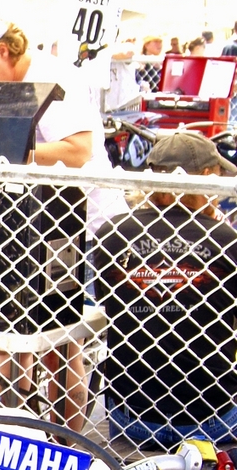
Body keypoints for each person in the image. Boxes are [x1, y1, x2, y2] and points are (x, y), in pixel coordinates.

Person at [0, 16, 126, 429]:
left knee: (60, 344)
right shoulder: (8, 88)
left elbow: (79, 150)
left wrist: (16, 151)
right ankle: (15, 432)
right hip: (25, 226)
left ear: (2, 51)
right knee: (9, 337)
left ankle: (67, 444)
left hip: (80, 228)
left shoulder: (54, 76)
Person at [92, 130, 237, 450]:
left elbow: (110, 303)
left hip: (133, 415)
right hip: (212, 417)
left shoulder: (113, 233)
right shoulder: (228, 240)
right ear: (206, 178)